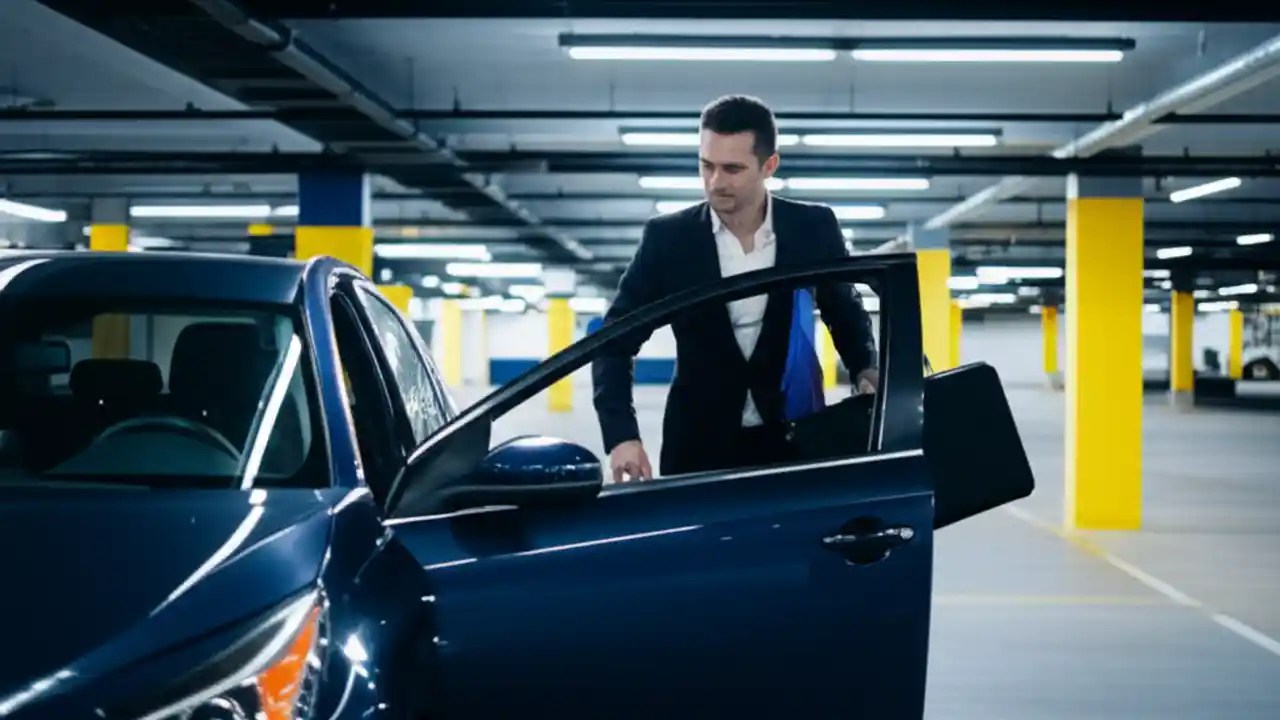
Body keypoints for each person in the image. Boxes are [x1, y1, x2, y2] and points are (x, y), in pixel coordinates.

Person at [591, 94, 880, 483]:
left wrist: (867, 367)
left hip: (793, 439)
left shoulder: (812, 227)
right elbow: (613, 341)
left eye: (732, 169)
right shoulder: (669, 239)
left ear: (769, 165)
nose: (715, 182)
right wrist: (622, 436)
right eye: (705, 165)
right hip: (697, 446)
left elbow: (843, 309)